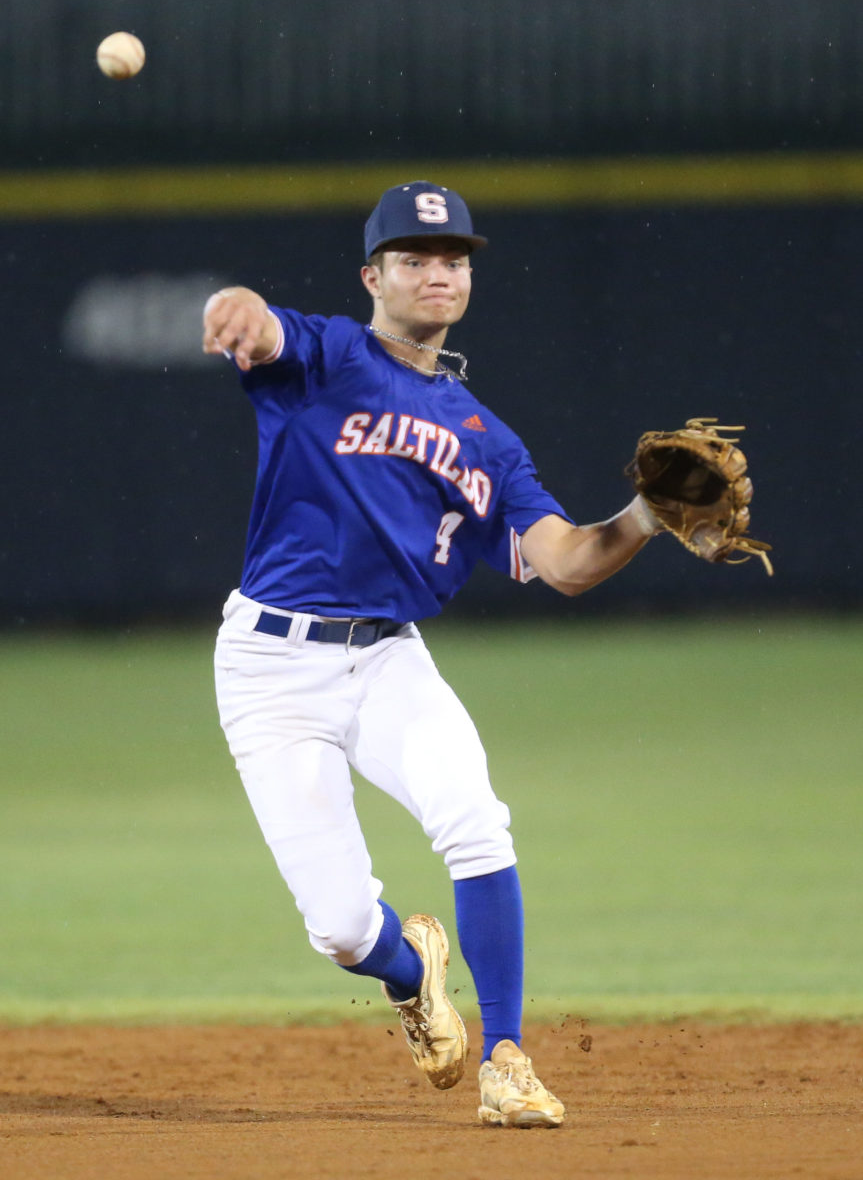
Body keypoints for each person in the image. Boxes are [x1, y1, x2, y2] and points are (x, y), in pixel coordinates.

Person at [202, 181, 662, 1128]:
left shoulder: (489, 442)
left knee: (475, 821)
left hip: (388, 664)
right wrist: (234, 312)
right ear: (373, 276)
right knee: (336, 925)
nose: (438, 272)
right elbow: (255, 325)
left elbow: (567, 563)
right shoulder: (326, 354)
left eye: (453, 259)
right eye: (414, 258)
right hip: (269, 666)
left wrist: (646, 517)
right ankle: (412, 975)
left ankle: (505, 1059)